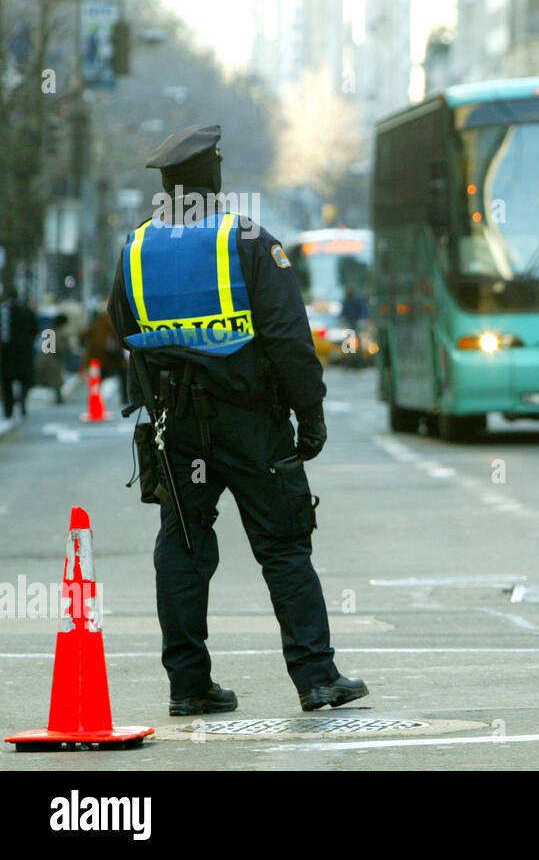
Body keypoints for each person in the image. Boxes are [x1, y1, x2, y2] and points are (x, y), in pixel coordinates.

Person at [107, 124, 366, 715]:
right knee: (283, 545)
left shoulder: (136, 247)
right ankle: (316, 678)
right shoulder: (246, 239)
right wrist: (310, 413)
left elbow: (124, 327)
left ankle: (189, 686)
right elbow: (288, 337)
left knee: (183, 545)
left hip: (176, 425)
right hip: (252, 423)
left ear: (168, 187)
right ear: (214, 177)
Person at [0, 289, 39, 419]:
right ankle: (22, 397)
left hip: (6, 351)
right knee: (26, 379)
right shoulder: (27, 311)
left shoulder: (3, 312)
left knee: (7, 381)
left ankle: (8, 409)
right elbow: (35, 329)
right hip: (24, 351)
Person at [79, 306, 128, 403]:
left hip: (98, 356)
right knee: (123, 374)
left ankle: (95, 398)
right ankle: (125, 398)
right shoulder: (113, 321)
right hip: (114, 355)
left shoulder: (95, 322)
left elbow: (82, 336)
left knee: (98, 377)